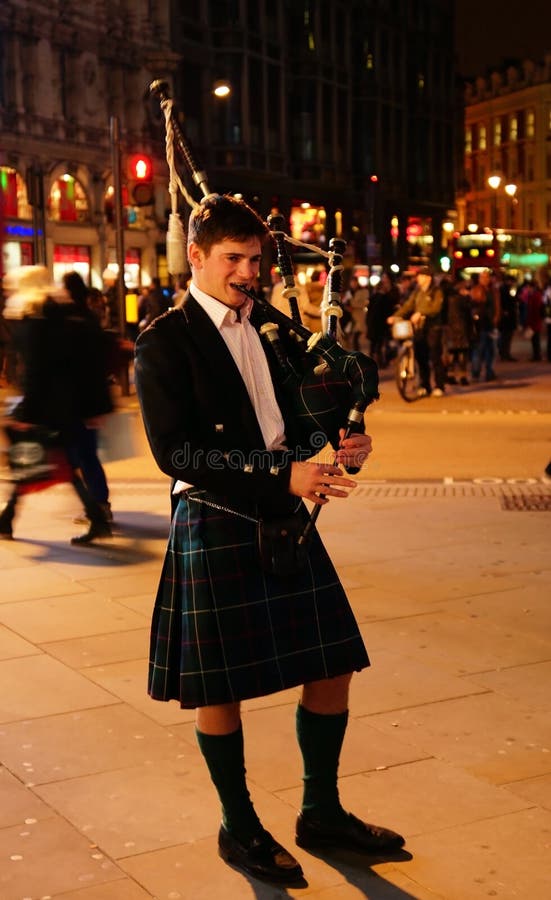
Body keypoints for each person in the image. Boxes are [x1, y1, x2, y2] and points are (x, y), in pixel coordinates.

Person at [134, 194, 404, 885]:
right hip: (216, 519)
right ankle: (238, 823)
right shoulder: (165, 338)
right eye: (233, 259)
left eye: (255, 259)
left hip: (280, 518)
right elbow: (175, 454)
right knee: (218, 690)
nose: (248, 272)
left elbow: (288, 425)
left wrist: (335, 448)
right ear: (195, 255)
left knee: (332, 663)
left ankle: (320, 811)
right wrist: (280, 475)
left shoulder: (271, 331)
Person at [0, 266, 113, 544]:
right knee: (58, 463)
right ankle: (8, 518)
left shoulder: (35, 317)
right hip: (67, 405)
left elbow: (37, 369)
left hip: (50, 407)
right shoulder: (57, 311)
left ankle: (8, 518)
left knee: (37, 459)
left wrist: (26, 411)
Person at [388, 265, 446, 397]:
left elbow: (437, 308)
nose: (418, 279)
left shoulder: (437, 291)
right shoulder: (417, 292)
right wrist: (396, 316)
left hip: (433, 329)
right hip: (419, 329)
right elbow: (408, 305)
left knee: (435, 357)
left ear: (428, 278)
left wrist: (421, 313)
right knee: (421, 358)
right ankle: (425, 386)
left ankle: (439, 386)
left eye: (421, 276)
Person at [470, 269, 500, 381]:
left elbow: (497, 306)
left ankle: (489, 372)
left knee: (491, 350)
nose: (486, 279)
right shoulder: (476, 290)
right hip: (481, 325)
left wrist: (496, 318)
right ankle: (475, 372)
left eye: (487, 277)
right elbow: (474, 307)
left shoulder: (494, 291)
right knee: (479, 349)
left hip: (491, 324)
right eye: (483, 277)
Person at [444, 279, 474, 386]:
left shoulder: (449, 300)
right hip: (461, 331)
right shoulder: (463, 300)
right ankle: (462, 377)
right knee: (462, 356)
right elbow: (469, 316)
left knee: (452, 355)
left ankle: (450, 375)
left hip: (451, 330)